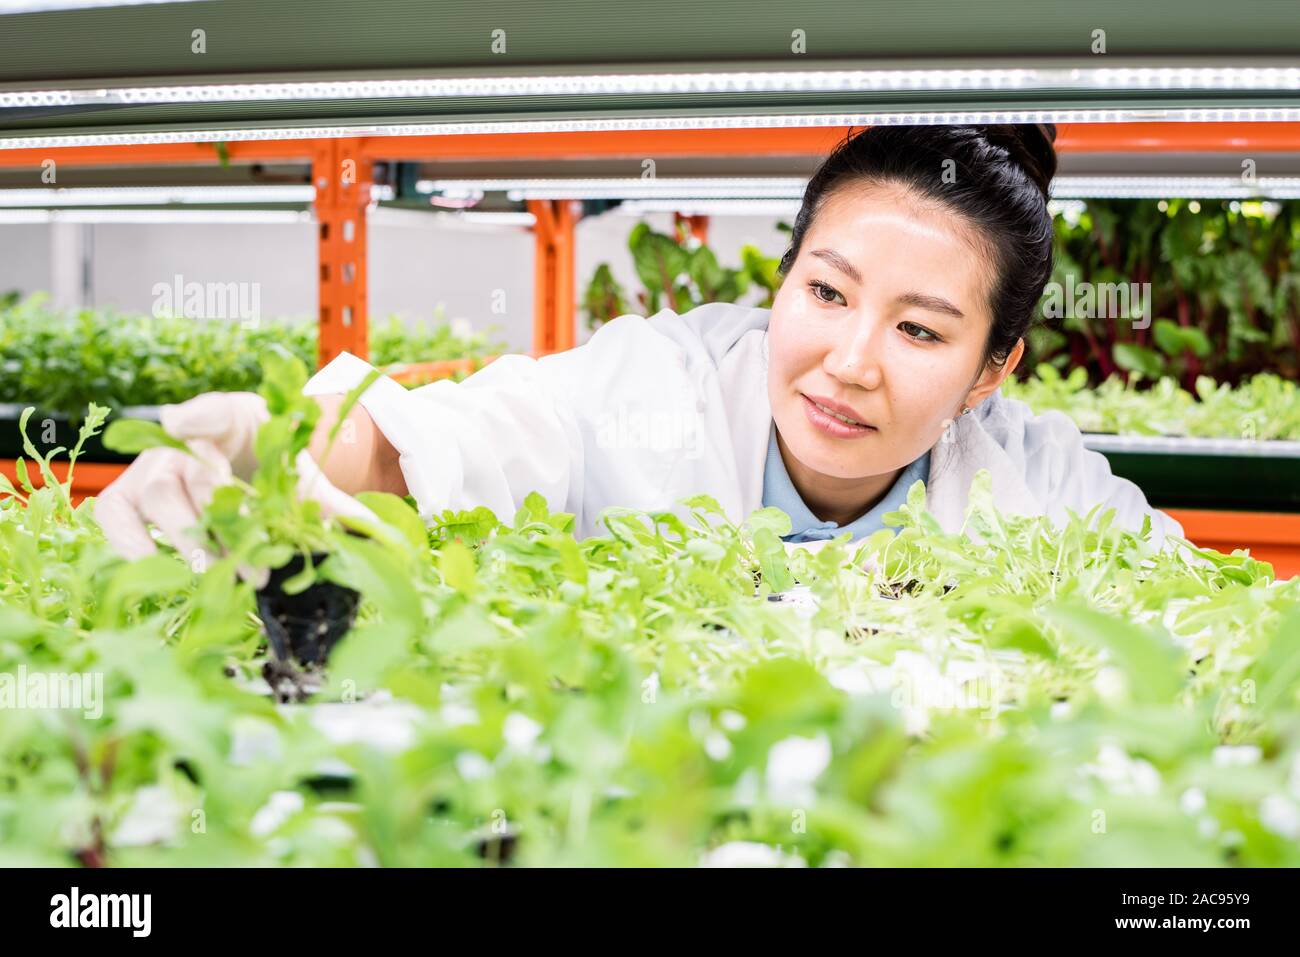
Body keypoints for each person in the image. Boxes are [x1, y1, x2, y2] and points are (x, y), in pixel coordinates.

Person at [96, 123, 1185, 563]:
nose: (850, 360)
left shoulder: (1039, 487)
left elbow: (1196, 622)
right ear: (783, 279)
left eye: (917, 329)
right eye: (825, 291)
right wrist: (267, 440)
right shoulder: (657, 384)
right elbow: (430, 444)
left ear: (990, 372)